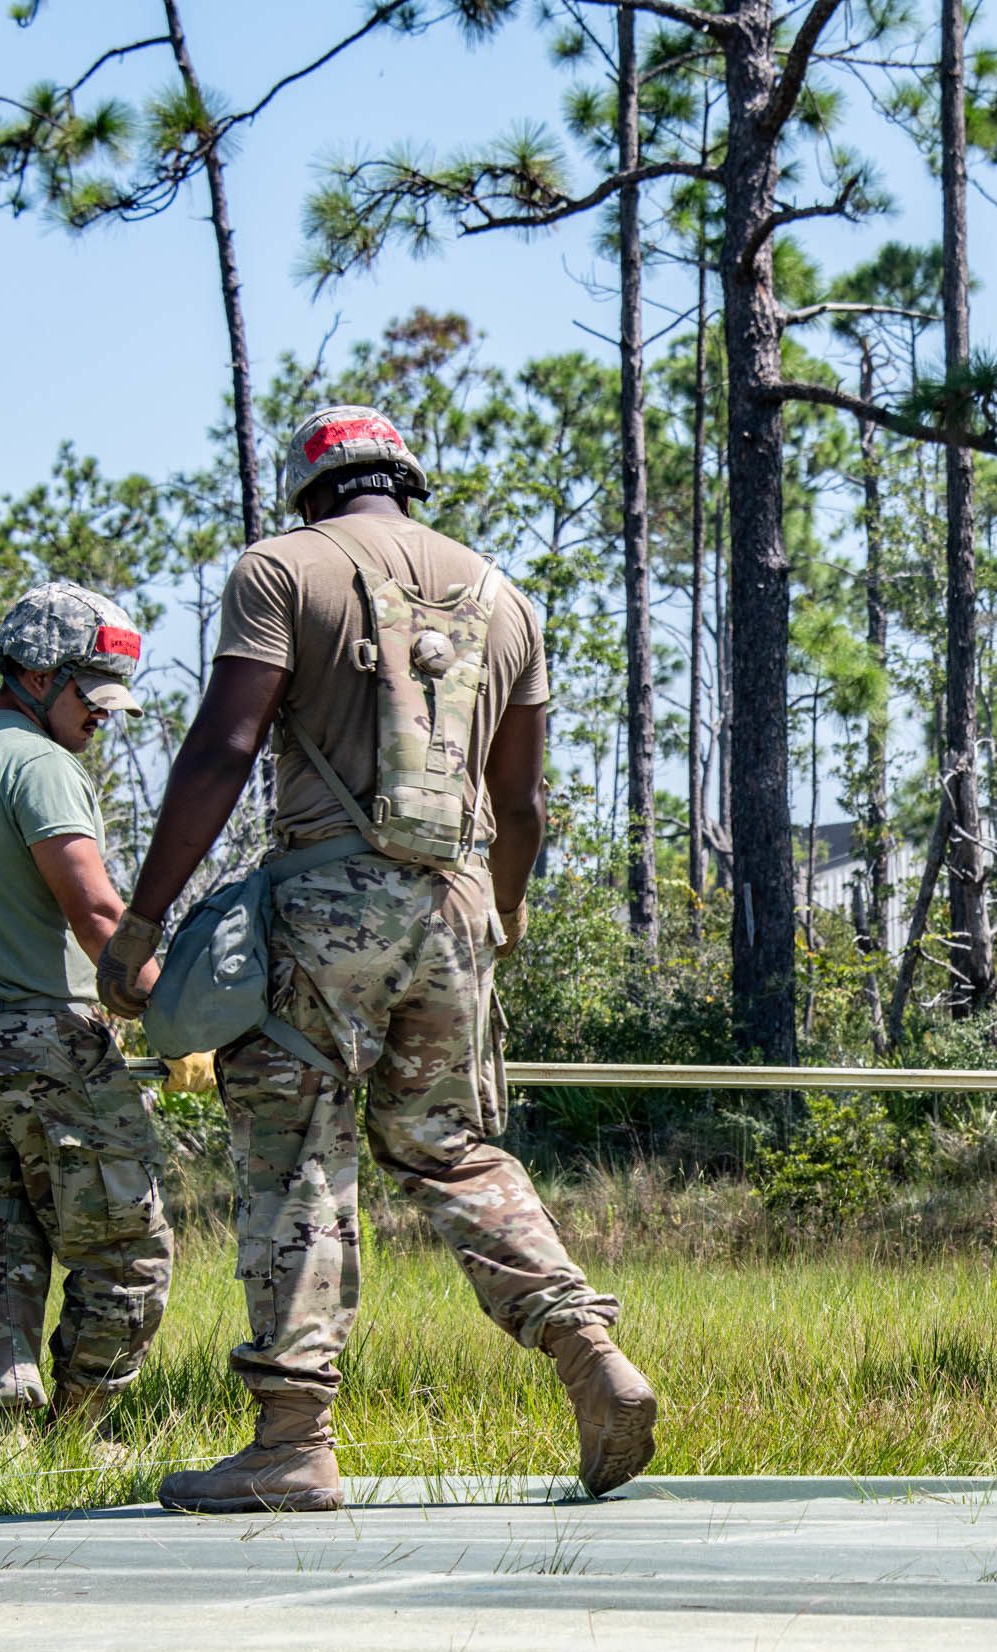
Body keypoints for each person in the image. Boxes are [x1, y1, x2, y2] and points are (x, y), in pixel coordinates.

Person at [98, 403, 658, 1513]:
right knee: (450, 1148)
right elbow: (523, 799)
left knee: (301, 1156)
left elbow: (224, 743)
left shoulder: (280, 568)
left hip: (326, 906)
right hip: (457, 909)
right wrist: (502, 910)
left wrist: (144, 919)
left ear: (312, 491)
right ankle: (587, 1346)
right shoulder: (506, 599)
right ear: (405, 481)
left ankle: (292, 1443)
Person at [0, 581, 173, 1434]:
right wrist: (179, 1018)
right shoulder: (40, 764)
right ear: (33, 672)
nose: (103, 719)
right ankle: (78, 1433)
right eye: (90, 696)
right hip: (41, 1044)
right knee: (127, 1249)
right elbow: (97, 916)